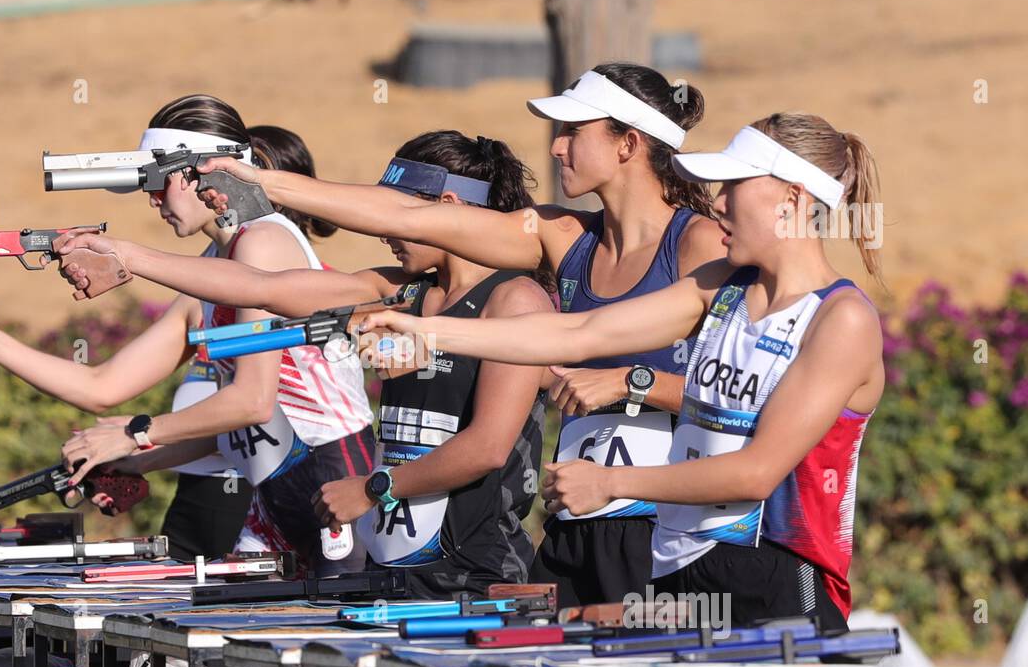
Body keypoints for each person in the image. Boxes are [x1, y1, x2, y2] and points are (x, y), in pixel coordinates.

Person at [194, 64, 725, 607]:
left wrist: (633, 383)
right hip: (575, 523)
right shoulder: (563, 236)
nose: (557, 148)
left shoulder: (700, 243)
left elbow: (753, 399)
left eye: (573, 132)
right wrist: (261, 181)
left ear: (628, 143)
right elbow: (408, 213)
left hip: (666, 531)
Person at [354, 112, 884, 631]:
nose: (718, 203)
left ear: (793, 198)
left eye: (736, 185)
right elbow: (577, 333)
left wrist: (611, 481)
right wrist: (428, 331)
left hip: (780, 577)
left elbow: (756, 472)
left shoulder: (842, 318)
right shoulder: (722, 294)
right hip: (678, 566)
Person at [60, 130, 555, 599]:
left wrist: (374, 487)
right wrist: (127, 255)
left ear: (447, 209)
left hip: (476, 573)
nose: (383, 233)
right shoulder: (400, 290)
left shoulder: (515, 299)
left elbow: (488, 447)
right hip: (391, 566)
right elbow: (262, 287)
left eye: (393, 216)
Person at [0, 99, 374, 574]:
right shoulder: (218, 259)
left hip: (332, 480)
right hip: (275, 490)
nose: (153, 200)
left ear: (200, 173)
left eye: (158, 182)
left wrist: (134, 436)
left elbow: (253, 402)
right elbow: (102, 387)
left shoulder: (261, 243)